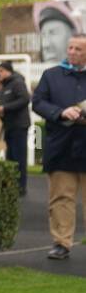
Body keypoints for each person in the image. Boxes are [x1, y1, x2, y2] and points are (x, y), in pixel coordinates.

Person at [32, 35, 86, 259]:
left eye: (78, 49)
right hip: (61, 146)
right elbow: (38, 102)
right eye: (70, 47)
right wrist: (60, 112)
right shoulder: (51, 75)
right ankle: (61, 242)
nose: (72, 52)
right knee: (61, 198)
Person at [0, 60, 31, 195]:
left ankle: (21, 187)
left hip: (19, 125)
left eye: (1, 71)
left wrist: (5, 108)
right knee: (11, 156)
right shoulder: (4, 86)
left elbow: (24, 99)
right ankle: (12, 185)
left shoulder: (17, 83)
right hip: (9, 124)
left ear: (8, 71)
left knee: (19, 157)